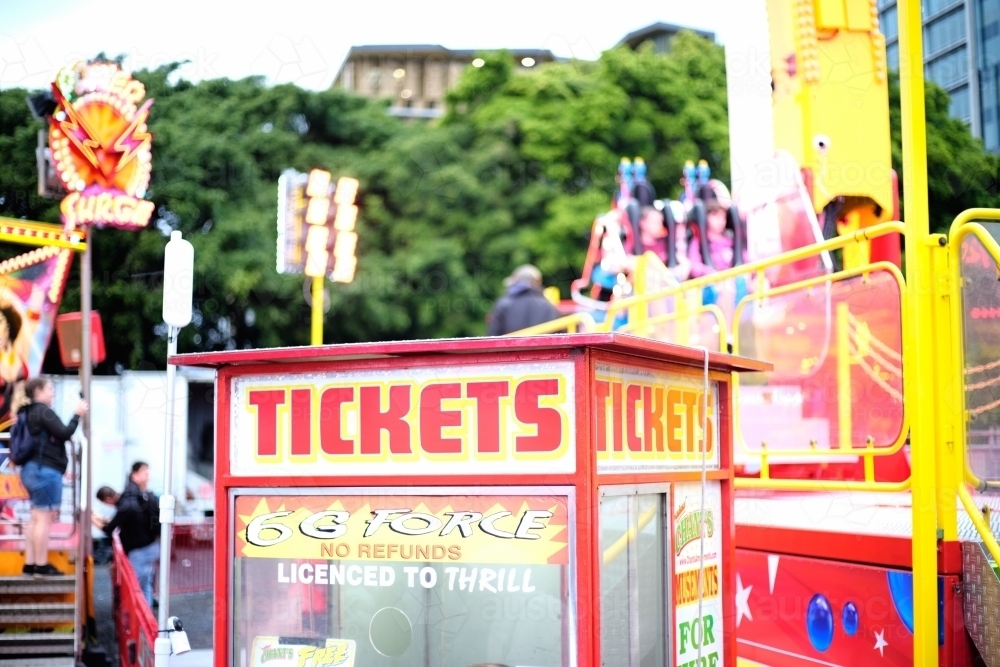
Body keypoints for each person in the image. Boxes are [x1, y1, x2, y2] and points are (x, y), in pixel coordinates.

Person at [18, 376, 87, 577]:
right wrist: (77, 414)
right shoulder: (43, 411)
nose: (53, 392)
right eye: (49, 388)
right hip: (45, 471)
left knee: (35, 517)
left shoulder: (27, 412)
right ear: (38, 392)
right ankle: (41, 565)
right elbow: (64, 433)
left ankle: (30, 564)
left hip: (30, 470)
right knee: (44, 519)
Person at [93, 462, 160, 607]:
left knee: (135, 587)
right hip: (151, 546)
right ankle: (145, 617)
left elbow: (109, 528)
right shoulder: (132, 499)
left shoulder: (125, 505)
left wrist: (93, 520)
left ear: (107, 500)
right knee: (145, 585)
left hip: (140, 551)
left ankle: (139, 623)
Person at [487, 265, 561, 336]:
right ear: (538, 283)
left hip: (511, 349)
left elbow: (493, 335)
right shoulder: (548, 306)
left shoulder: (503, 304)